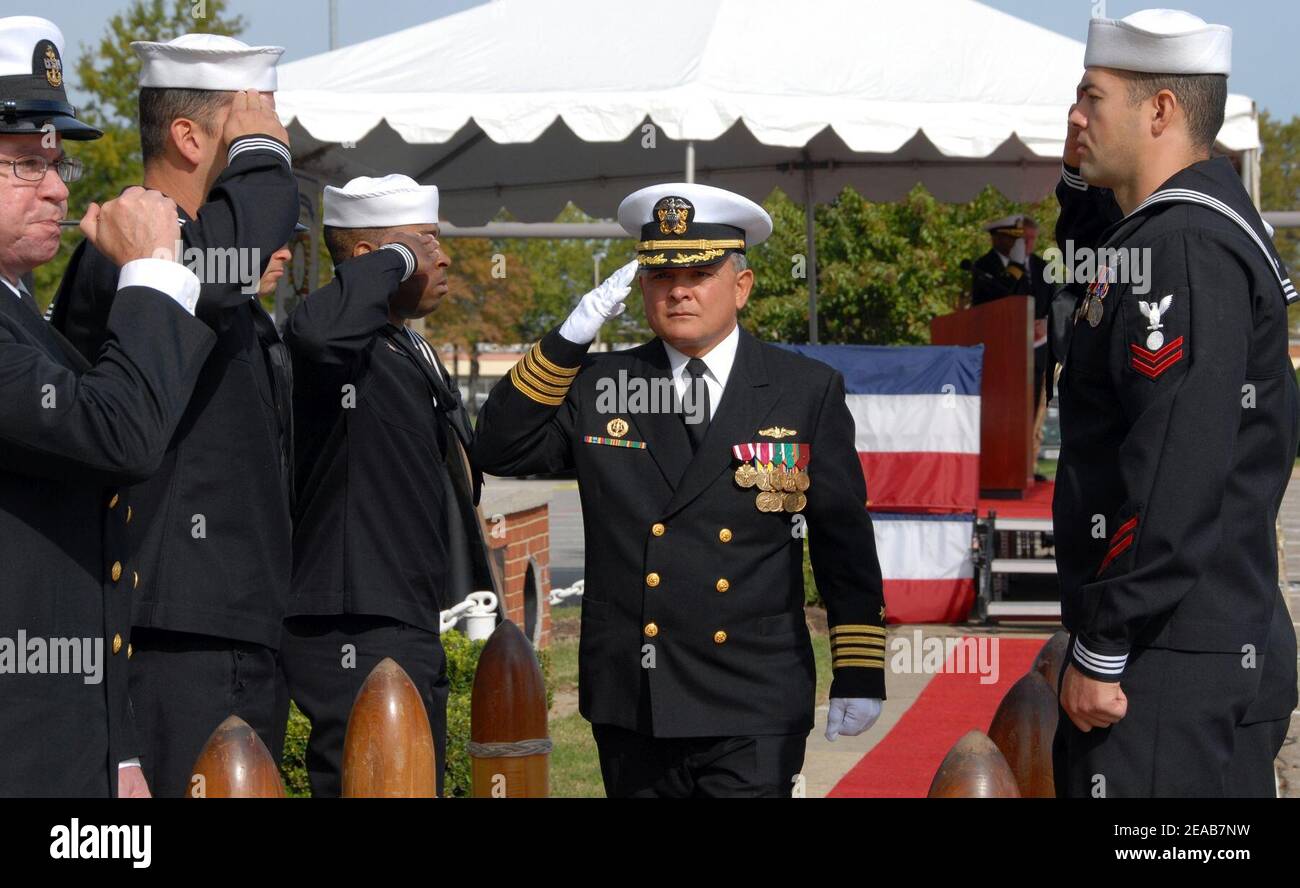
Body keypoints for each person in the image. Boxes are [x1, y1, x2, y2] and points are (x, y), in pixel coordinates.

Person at [473, 182, 887, 797]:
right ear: (642, 287)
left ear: (740, 286)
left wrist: (859, 667)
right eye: (663, 275)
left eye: (700, 271)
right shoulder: (599, 385)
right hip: (637, 694)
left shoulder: (803, 389)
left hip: (753, 693)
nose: (680, 289)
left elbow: (841, 539)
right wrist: (569, 337)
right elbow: (499, 448)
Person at [1051, 8, 1299, 797]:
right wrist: (1077, 178)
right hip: (1193, 644)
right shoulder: (1184, 226)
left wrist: (1105, 644)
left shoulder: (1181, 246)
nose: (1074, 115)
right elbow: (1099, 263)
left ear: (1158, 110)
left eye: (1092, 98)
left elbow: (1172, 468)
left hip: (1164, 660)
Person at [47, 33, 300, 797]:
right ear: (189, 137)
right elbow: (221, 261)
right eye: (251, 123)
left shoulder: (197, 268)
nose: (273, 138)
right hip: (175, 638)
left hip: (228, 629)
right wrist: (267, 159)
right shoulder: (126, 250)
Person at [0, 15, 215, 797]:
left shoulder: (17, 308)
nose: (58, 186)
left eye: (54, 161)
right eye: (24, 163)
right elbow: (119, 433)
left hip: (65, 747)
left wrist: (116, 750)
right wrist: (155, 270)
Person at [281, 175, 491, 797]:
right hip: (354, 623)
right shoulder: (341, 345)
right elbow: (315, 331)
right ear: (373, 263)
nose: (441, 255)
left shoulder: (400, 344)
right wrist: (396, 261)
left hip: (400, 615)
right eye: (423, 242)